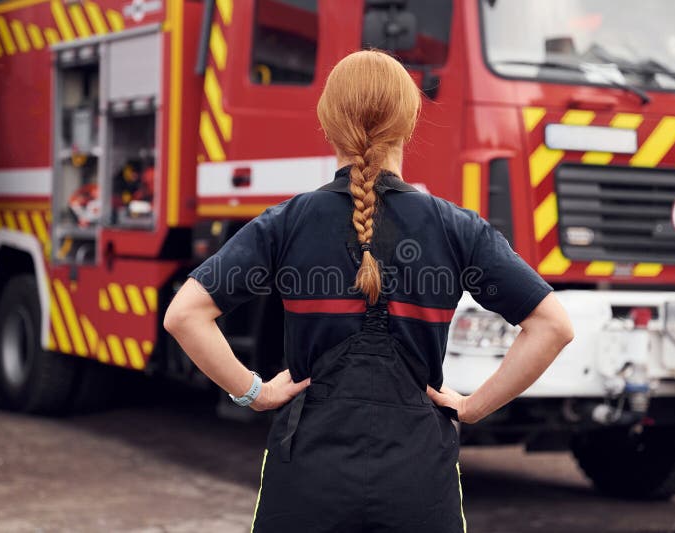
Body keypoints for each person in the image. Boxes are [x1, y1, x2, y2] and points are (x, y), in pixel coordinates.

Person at [164, 50, 573, 533]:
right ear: (409, 121)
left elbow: (184, 315)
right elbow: (552, 326)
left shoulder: (287, 223)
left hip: (307, 476)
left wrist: (253, 391)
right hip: (419, 479)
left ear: (327, 122)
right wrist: (473, 406)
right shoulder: (456, 227)